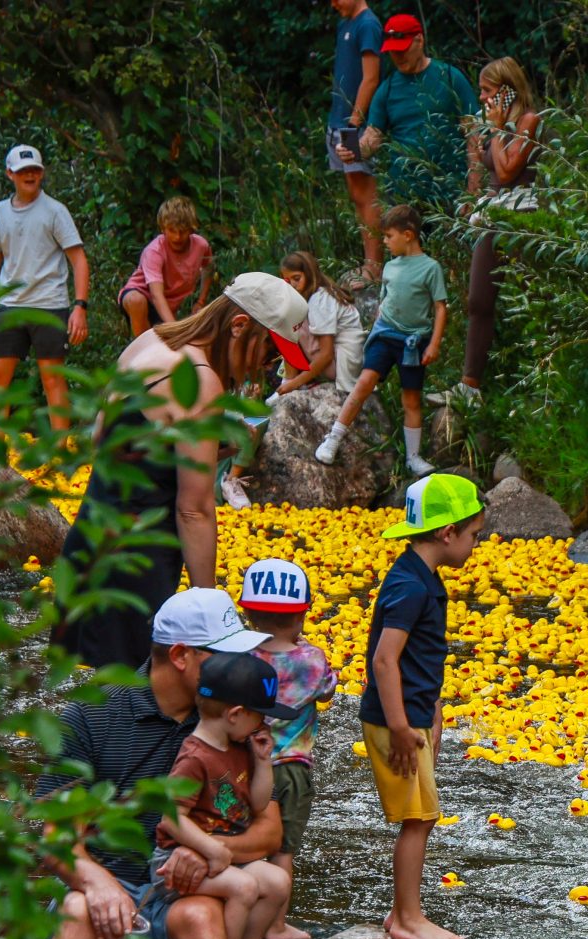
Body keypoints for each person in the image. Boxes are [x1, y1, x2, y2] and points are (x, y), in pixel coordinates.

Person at [39, 588, 282, 939]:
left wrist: (210, 850)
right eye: (225, 655)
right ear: (181, 656)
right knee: (78, 905)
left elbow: (271, 829)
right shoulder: (91, 714)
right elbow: (55, 835)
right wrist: (96, 881)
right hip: (105, 894)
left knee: (200, 913)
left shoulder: (234, 720)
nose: (241, 668)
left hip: (177, 901)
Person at [51, 272, 310, 670]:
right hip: (138, 568)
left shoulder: (151, 340)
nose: (268, 368)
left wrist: (209, 445)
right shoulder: (199, 379)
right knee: (141, 708)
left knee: (94, 710)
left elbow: (105, 440)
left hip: (90, 544)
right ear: (239, 327)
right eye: (270, 354)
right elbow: (194, 509)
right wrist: (209, 614)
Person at [361, 474, 486, 939]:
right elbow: (385, 659)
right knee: (419, 817)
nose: (477, 543)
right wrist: (398, 726)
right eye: (474, 534)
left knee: (424, 814)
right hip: (394, 719)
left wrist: (432, 708)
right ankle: (410, 918)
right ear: (446, 532)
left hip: (411, 712)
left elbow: (419, 656)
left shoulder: (421, 578)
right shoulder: (411, 588)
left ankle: (400, 912)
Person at [147, 651, 298, 939]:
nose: (263, 724)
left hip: (219, 860)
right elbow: (172, 818)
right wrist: (212, 851)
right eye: (260, 716)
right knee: (244, 887)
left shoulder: (240, 746)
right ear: (235, 714)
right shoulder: (194, 756)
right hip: (175, 863)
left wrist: (262, 761)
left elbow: (259, 804)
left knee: (277, 883)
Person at [239, 557, 337, 939]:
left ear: (247, 613)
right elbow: (327, 690)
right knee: (283, 849)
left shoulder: (242, 657)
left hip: (248, 763)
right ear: (302, 616)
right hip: (292, 769)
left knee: (248, 844)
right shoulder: (311, 660)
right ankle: (276, 926)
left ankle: (245, 917)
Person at [222, 252, 363, 509]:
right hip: (329, 367)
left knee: (289, 330)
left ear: (310, 275)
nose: (293, 285)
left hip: (342, 369)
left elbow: (325, 353)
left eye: (296, 279)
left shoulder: (320, 300)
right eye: (287, 280)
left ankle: (231, 479)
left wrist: (294, 384)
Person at [314, 204, 445, 477]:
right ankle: (333, 438)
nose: (384, 242)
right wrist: (376, 324)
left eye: (388, 236)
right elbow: (385, 300)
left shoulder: (430, 268)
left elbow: (440, 307)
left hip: (413, 341)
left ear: (408, 234)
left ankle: (413, 457)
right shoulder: (390, 267)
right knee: (363, 383)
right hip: (385, 335)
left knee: (411, 399)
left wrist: (433, 343)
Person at [0, 145, 88, 430]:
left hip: (50, 304)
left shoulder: (55, 211)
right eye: (23, 170)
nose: (30, 175)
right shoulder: (0, 211)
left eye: (34, 170)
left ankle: (60, 448)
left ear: (42, 173)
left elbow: (78, 259)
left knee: (52, 376)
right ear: (9, 173)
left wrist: (80, 307)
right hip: (10, 304)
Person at [460, 55, 543, 399]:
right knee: (479, 300)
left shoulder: (529, 121)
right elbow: (485, 172)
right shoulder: (489, 124)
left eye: (488, 90)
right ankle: (469, 387)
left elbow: (508, 172)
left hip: (524, 216)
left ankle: (544, 380)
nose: (482, 98)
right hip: (493, 215)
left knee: (534, 300)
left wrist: (494, 129)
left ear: (507, 91)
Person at [355, 13, 480, 213]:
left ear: (419, 40)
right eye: (393, 52)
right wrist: (352, 150)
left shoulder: (449, 77)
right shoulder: (387, 89)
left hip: (451, 190)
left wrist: (473, 191)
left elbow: (475, 134)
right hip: (404, 195)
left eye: (402, 50)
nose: (398, 57)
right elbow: (373, 137)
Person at [327, 0, 385, 283]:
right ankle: (369, 263)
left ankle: (374, 266)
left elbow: (371, 79)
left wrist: (354, 123)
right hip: (339, 122)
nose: (333, 3)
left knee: (366, 194)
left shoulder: (368, 24)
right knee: (355, 194)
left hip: (354, 125)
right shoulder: (345, 23)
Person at [117, 196, 213, 337]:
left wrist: (201, 301)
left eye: (183, 231)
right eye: (172, 230)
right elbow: (156, 295)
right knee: (137, 302)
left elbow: (209, 267)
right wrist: (175, 330)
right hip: (143, 296)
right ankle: (143, 346)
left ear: (191, 228)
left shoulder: (201, 246)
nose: (177, 237)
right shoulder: (154, 251)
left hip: (167, 305)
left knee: (172, 344)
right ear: (162, 228)